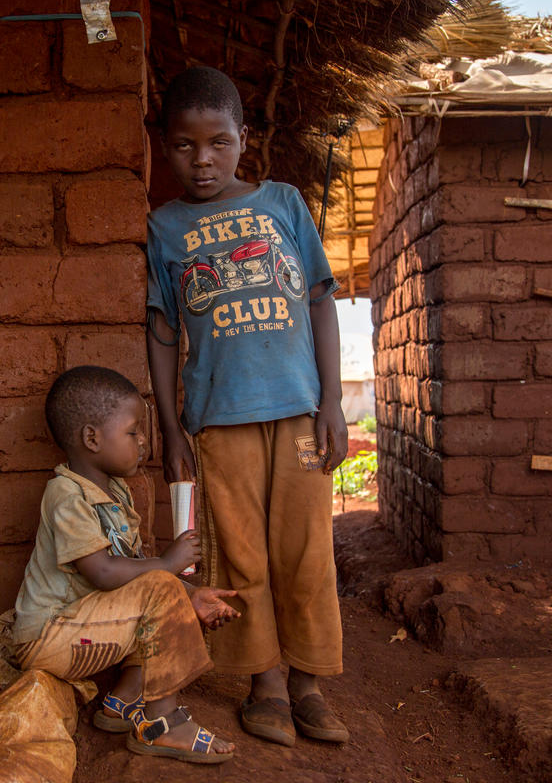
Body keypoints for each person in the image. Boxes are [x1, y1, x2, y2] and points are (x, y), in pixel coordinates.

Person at [145, 65, 350, 748]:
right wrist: (171, 427)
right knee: (241, 555)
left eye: (218, 142)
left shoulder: (284, 204)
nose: (202, 160)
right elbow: (164, 332)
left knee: (305, 548)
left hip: (297, 411)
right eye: (183, 145)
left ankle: (308, 681)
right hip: (219, 421)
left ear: (243, 138)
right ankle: (263, 682)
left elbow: (320, 304)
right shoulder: (166, 229)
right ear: (163, 145)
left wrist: (334, 402)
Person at [0, 365, 241, 764]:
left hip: (82, 626)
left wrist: (190, 594)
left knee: (162, 587)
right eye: (132, 431)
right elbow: (103, 572)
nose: (143, 441)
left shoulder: (116, 491)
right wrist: (170, 565)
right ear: (92, 438)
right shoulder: (66, 494)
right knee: (160, 584)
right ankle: (163, 725)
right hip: (49, 636)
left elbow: (134, 568)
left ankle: (121, 703)